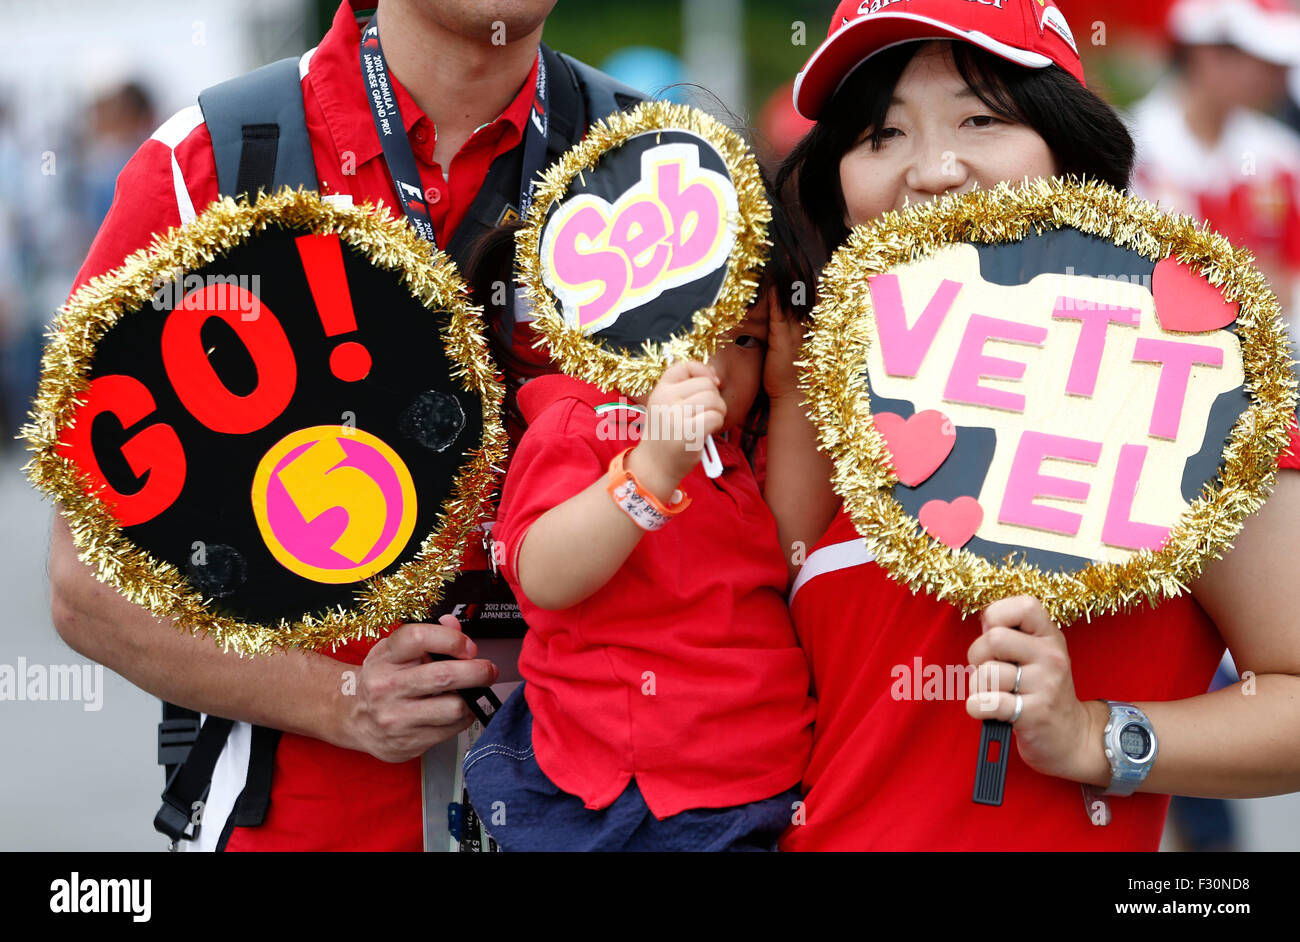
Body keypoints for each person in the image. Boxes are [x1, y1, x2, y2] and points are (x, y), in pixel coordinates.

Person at [47, 0, 635, 851]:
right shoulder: (215, 160)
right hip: (297, 824)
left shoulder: (657, 163)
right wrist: (340, 702)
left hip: (615, 818)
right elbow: (87, 584)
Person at [776, 0, 1300, 850]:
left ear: (1070, 150)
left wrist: (1097, 737)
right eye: (882, 135)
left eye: (981, 119)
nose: (932, 169)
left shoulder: (1195, 387)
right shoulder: (809, 390)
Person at [459, 201, 834, 850]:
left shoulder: (730, 453)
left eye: (745, 339)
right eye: (685, 328)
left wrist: (791, 388)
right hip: (633, 800)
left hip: (755, 788)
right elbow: (543, 574)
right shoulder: (582, 421)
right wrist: (651, 471)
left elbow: (789, 549)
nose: (713, 371)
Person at [1128, 0, 1300, 340]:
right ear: (1205, 53)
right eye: (1263, 59)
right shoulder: (1128, 150)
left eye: (1280, 64)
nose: (1276, 76)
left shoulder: (1281, 156)